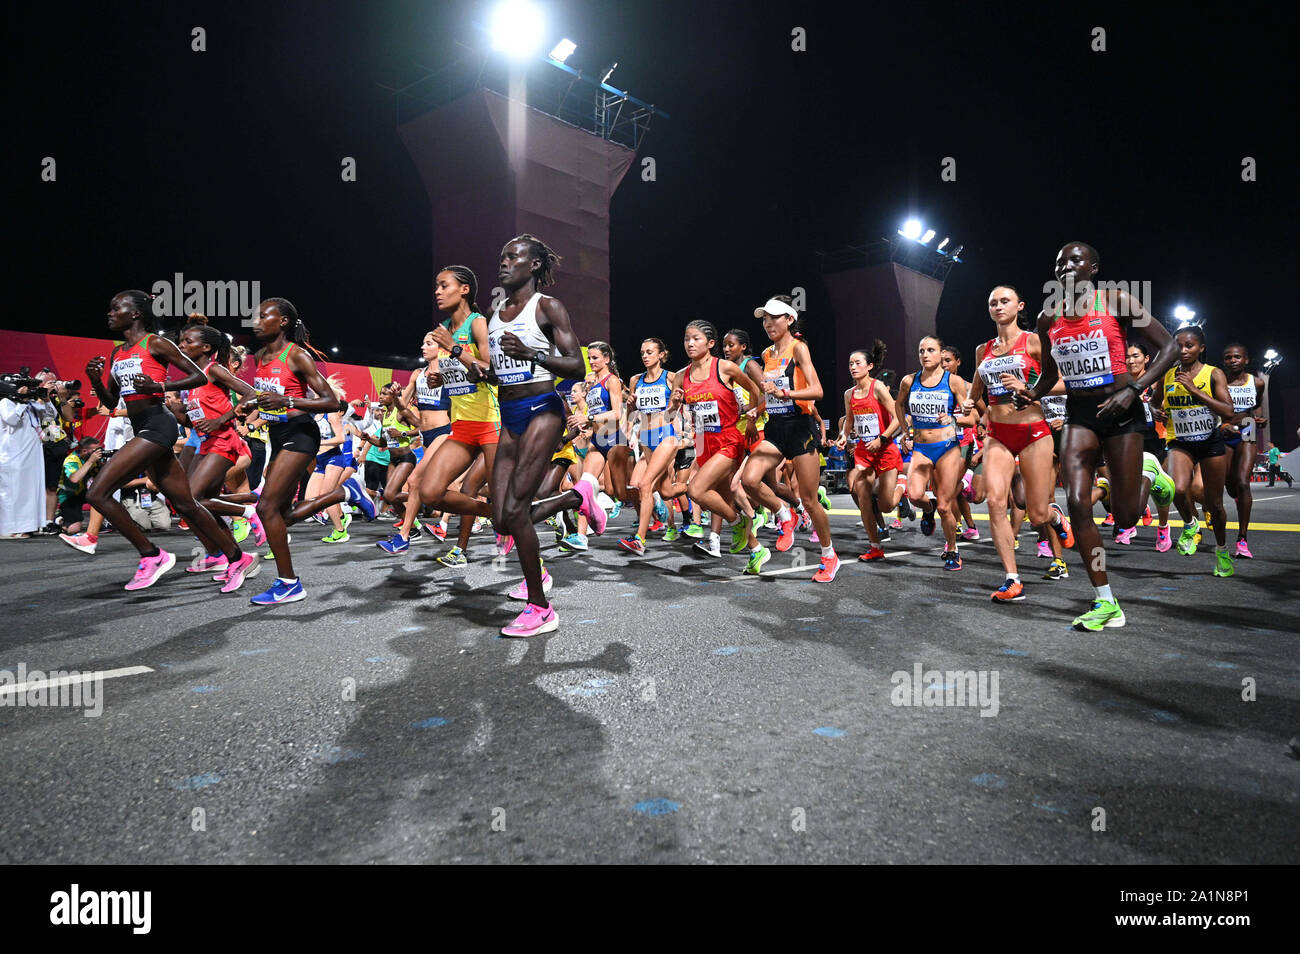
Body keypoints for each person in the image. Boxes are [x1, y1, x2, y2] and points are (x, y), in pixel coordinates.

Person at [1015, 243, 1177, 631]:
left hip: (1123, 412)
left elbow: (1169, 347)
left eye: (1074, 260)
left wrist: (1134, 390)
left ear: (1093, 267)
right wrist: (1033, 393)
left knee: (1125, 516)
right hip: (1081, 415)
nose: (1066, 267)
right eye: (1059, 263)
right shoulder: (1047, 316)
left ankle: (1151, 477)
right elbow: (1051, 375)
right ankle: (1105, 601)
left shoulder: (1117, 300)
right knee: (1076, 504)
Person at [83, 290, 257, 592]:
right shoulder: (118, 353)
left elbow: (220, 385)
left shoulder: (158, 344)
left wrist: (165, 388)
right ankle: (236, 557)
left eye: (116, 308)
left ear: (136, 313)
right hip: (167, 433)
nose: (109, 313)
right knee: (187, 503)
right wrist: (96, 381)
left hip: (168, 430)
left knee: (98, 492)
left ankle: (153, 555)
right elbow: (113, 403)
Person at [220, 297, 375, 604]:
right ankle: (344, 494)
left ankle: (289, 582)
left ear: (283, 323)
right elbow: (269, 397)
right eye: (255, 316)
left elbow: (333, 402)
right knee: (283, 514)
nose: (255, 321)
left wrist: (289, 402)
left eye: (264, 316)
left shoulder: (297, 356)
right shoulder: (260, 355)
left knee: (266, 508)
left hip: (301, 434)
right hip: (277, 435)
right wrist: (249, 408)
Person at [482, 234, 593, 636]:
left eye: (513, 257)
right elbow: (504, 373)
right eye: (502, 255)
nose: (504, 262)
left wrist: (532, 353)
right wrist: (484, 372)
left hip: (542, 412)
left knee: (515, 511)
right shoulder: (496, 312)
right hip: (509, 415)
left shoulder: (547, 307)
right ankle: (576, 496)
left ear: (533, 265)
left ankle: (540, 607)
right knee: (500, 519)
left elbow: (576, 367)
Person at [968, 286, 1074, 601]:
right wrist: (968, 406)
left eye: (1005, 301)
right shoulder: (982, 349)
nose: (998, 306)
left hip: (1034, 432)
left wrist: (1029, 387)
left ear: (1019, 305)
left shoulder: (1034, 341)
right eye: (993, 303)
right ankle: (1012, 579)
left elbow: (1065, 382)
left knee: (1037, 514)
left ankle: (1055, 517)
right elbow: (976, 390)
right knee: (995, 503)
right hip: (999, 434)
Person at [740, 296, 840, 582]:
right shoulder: (768, 354)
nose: (768, 323)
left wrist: (787, 394)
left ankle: (829, 555)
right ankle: (784, 515)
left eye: (774, 317)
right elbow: (769, 394)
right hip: (776, 428)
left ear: (789, 320)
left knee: (810, 500)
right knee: (749, 479)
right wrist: (754, 409)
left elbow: (817, 390)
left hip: (800, 427)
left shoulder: (799, 349)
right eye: (764, 318)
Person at [671, 319, 768, 572]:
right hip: (704, 443)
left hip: (728, 439)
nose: (690, 343)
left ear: (710, 343)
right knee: (723, 496)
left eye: (696, 339)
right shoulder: (681, 376)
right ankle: (757, 550)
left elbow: (757, 390)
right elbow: (673, 413)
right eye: (686, 339)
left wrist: (751, 417)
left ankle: (737, 522)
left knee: (696, 490)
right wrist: (674, 402)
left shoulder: (725, 368)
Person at [1157, 326, 1235, 575]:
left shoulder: (1214, 374)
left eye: (1189, 345)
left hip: (1210, 442)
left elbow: (1228, 411)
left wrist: (1194, 390)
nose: (1183, 350)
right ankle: (1191, 524)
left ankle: (1222, 550)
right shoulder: (1167, 375)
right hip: (1180, 441)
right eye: (1178, 346)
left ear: (1201, 348)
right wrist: (1156, 411)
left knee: (1215, 504)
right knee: (1177, 489)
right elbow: (1152, 400)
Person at [895, 336, 976, 570]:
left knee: (945, 505)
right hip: (921, 448)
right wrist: (905, 432)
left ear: (941, 354)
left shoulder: (954, 382)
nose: (925, 354)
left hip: (948, 447)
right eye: (921, 350)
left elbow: (972, 418)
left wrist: (953, 418)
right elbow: (898, 405)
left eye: (931, 350)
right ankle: (927, 509)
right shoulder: (909, 381)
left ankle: (952, 549)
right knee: (915, 495)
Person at [837, 341, 903, 562]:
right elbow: (849, 421)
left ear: (869, 366)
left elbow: (898, 418)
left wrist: (882, 438)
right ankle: (875, 547)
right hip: (864, 452)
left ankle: (902, 486)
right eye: (850, 364)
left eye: (858, 363)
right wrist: (844, 436)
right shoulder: (849, 394)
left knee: (885, 506)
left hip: (885, 450)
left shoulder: (878, 388)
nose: (853, 367)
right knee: (862, 496)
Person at [1221, 343, 1265, 557]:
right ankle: (1238, 497)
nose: (1233, 360)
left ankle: (1242, 539)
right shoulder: (1218, 381)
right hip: (1226, 431)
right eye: (1228, 357)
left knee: (1242, 482)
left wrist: (1260, 417)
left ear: (1246, 359)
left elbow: (1256, 404)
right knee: (1230, 486)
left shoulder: (1256, 382)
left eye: (1237, 357)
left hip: (1248, 428)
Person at [0, 381, 51, 538]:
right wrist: (22, 401)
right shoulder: (5, 402)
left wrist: (46, 400)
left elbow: (50, 415)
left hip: (30, 456)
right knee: (13, 493)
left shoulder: (29, 403)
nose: (28, 390)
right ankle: (8, 529)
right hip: (13, 456)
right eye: (24, 388)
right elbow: (11, 419)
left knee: (29, 492)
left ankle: (27, 525)